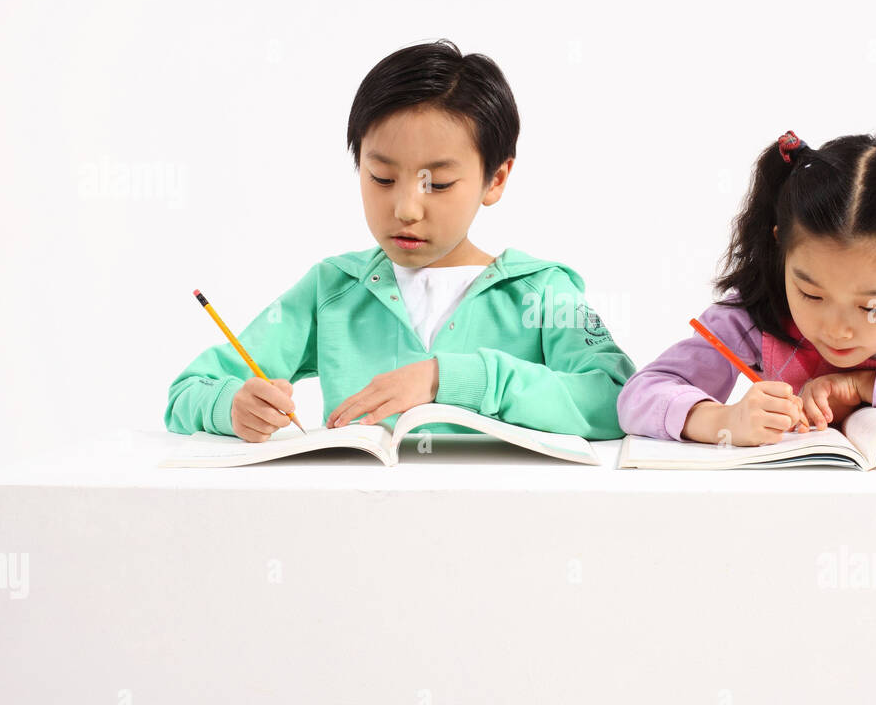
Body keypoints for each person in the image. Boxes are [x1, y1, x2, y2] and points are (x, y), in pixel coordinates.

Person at [165, 39, 634, 442]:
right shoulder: (332, 290)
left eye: (439, 183)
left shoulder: (544, 292)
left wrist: (451, 379)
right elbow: (189, 390)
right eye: (382, 178)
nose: (406, 208)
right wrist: (231, 406)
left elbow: (618, 399)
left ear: (496, 179)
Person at [617, 130, 876, 446]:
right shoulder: (756, 311)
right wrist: (722, 421)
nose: (836, 329)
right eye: (811, 295)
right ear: (782, 253)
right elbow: (638, 397)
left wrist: (862, 386)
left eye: (871, 307)